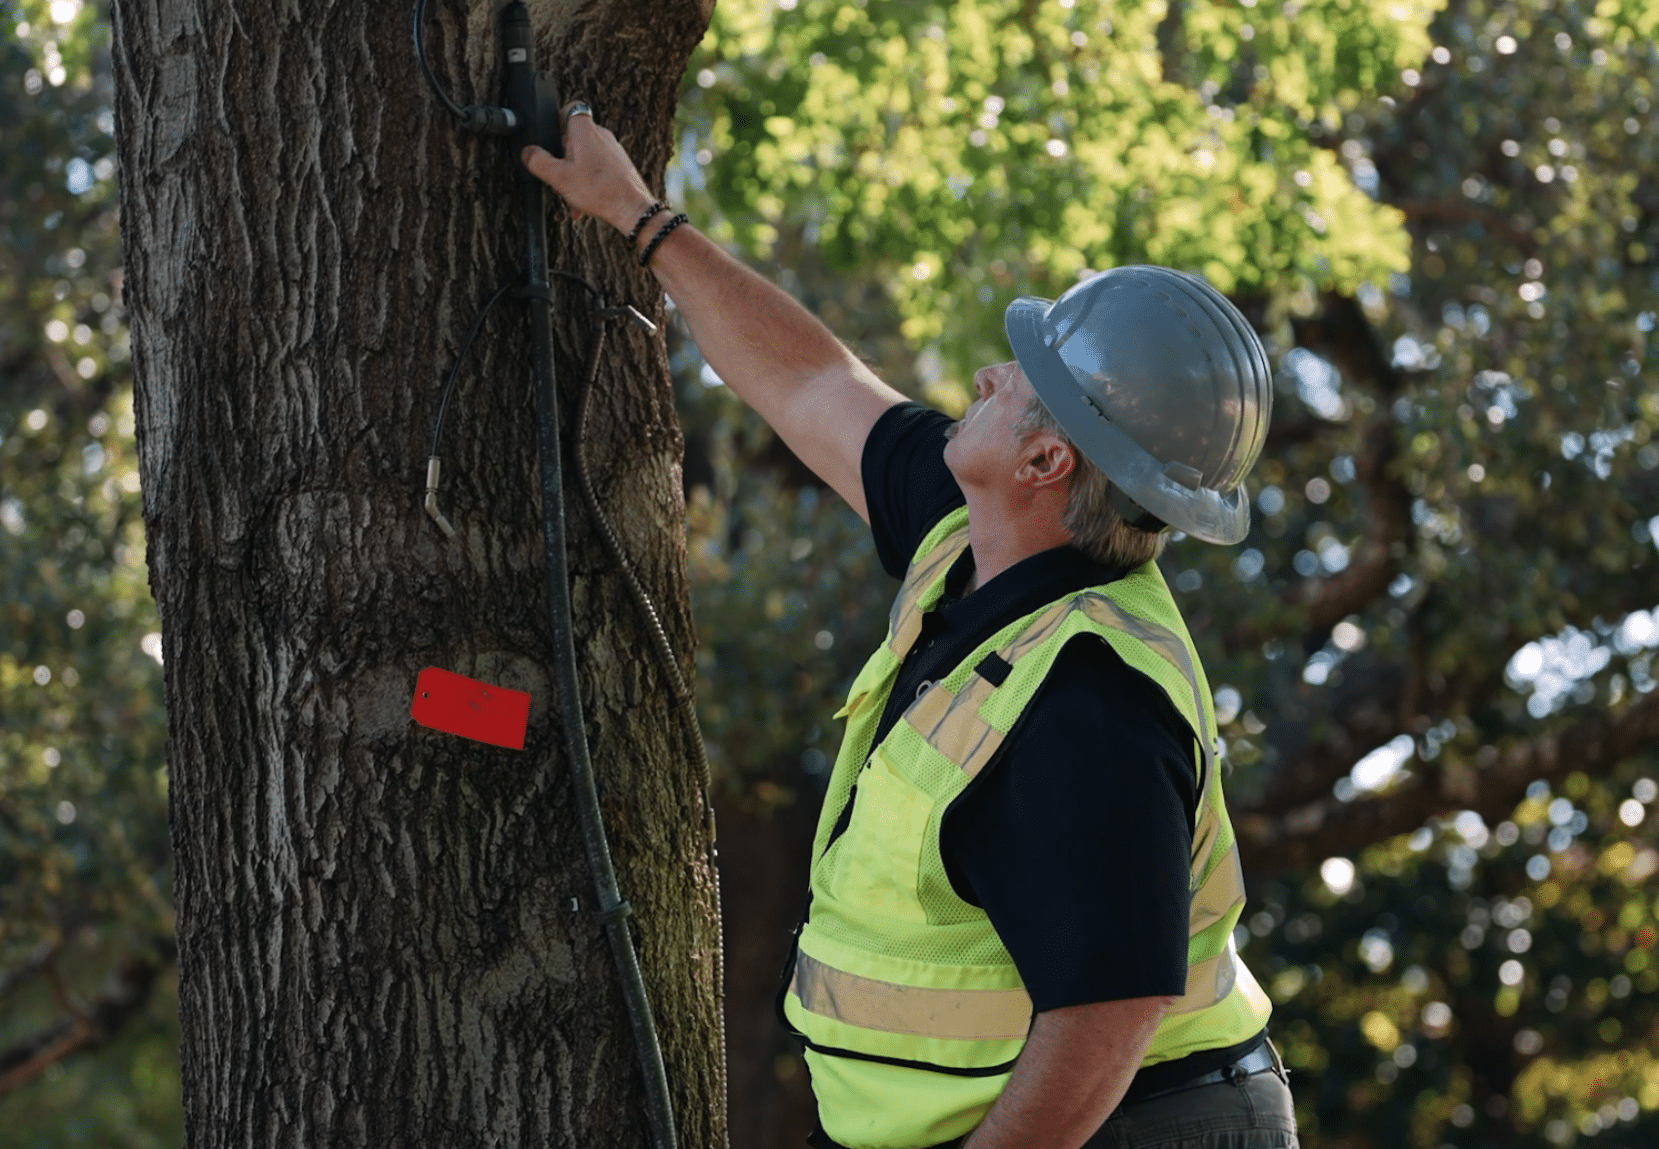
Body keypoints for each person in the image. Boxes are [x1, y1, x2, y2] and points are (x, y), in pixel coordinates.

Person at [525, 102, 1296, 1149]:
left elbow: (1107, 1020)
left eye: (1020, 377)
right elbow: (811, 381)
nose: (986, 374)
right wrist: (636, 217)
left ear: (1043, 462)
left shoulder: (1086, 702)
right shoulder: (966, 533)